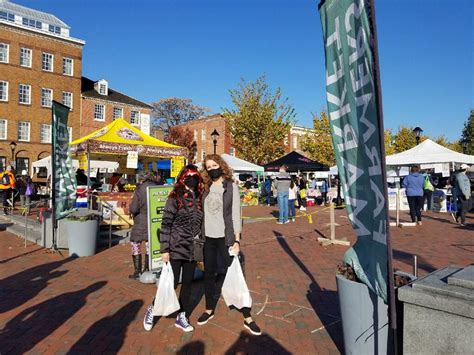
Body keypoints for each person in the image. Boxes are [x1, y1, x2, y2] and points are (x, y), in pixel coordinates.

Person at [197, 154, 261, 336]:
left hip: (225, 238)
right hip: (207, 237)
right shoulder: (205, 187)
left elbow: (235, 215)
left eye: (214, 165)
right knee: (208, 274)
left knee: (235, 273)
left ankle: (247, 316)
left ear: (221, 165)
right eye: (208, 167)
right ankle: (209, 309)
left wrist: (237, 240)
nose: (212, 169)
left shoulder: (231, 187)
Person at [143, 165, 204, 332]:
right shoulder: (175, 198)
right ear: (183, 177)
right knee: (170, 283)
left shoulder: (199, 198)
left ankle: (182, 315)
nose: (192, 178)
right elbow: (166, 224)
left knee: (188, 284)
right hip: (176, 247)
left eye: (195, 175)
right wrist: (164, 249)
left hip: (192, 249)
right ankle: (153, 309)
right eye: (189, 175)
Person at [128, 171, 158, 280]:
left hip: (140, 222)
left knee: (135, 244)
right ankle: (147, 269)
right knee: (149, 246)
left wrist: (130, 209)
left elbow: (134, 208)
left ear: (142, 179)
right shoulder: (156, 187)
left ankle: (137, 272)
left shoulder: (140, 189)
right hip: (153, 222)